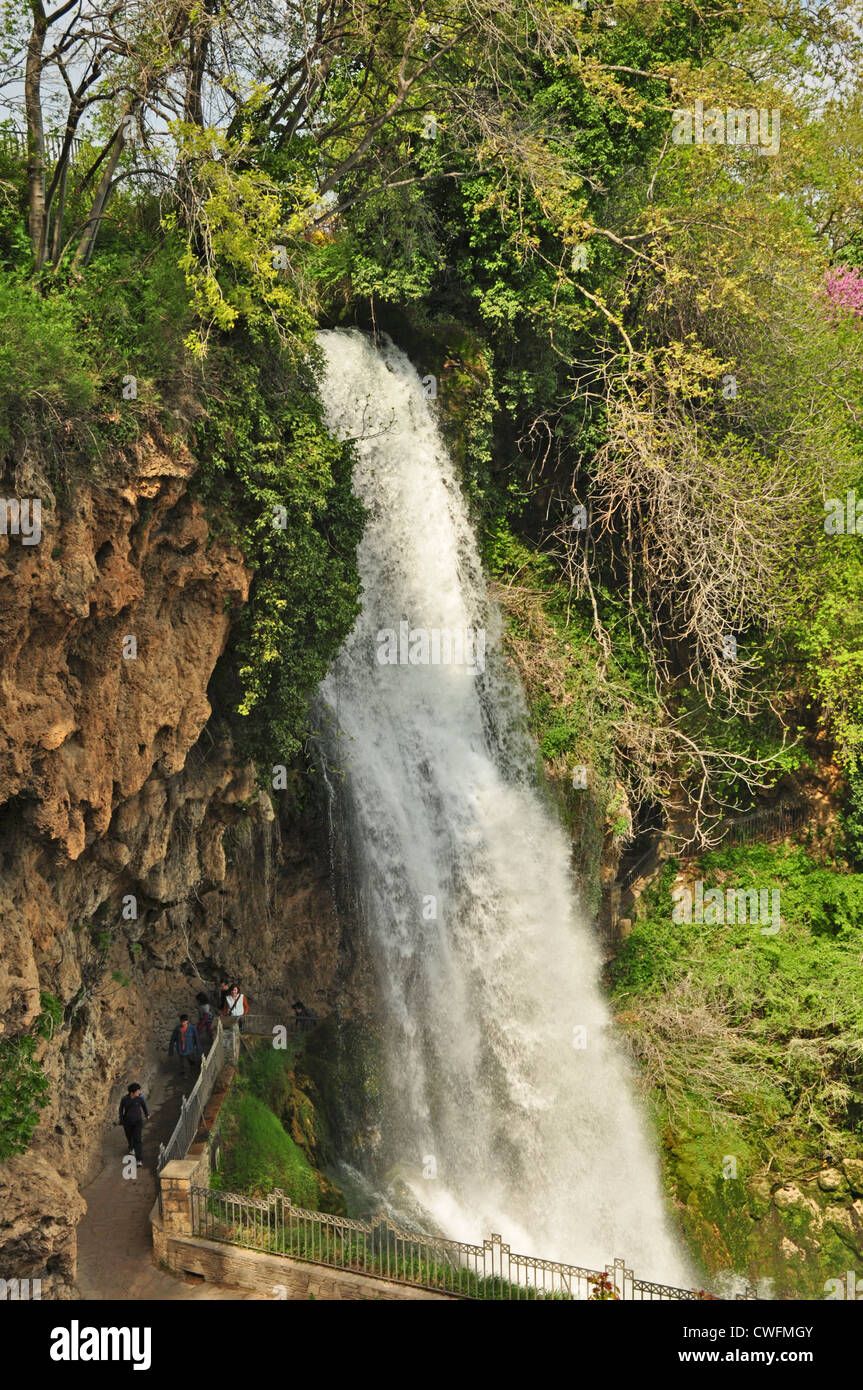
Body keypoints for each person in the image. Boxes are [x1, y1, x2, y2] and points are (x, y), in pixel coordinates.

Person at [118, 1083, 149, 1165]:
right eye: (138, 1090)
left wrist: (147, 1115)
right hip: (127, 1122)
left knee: (137, 1140)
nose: (139, 1092)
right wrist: (121, 1119)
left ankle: (139, 1159)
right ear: (132, 1092)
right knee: (129, 1136)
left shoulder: (140, 1098)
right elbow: (121, 1109)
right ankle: (131, 1148)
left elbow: (144, 1106)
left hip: (138, 1121)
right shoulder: (124, 1099)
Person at [168, 1013, 200, 1078]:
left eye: (185, 1022)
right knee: (184, 1062)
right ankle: (186, 1074)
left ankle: (190, 1065)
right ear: (180, 1021)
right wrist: (171, 1050)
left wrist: (198, 1050)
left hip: (190, 1049)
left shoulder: (192, 1029)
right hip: (181, 1049)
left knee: (191, 1060)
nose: (183, 1023)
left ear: (187, 1021)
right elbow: (172, 1039)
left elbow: (197, 1039)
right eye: (182, 1021)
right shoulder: (177, 1029)